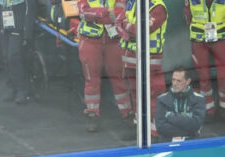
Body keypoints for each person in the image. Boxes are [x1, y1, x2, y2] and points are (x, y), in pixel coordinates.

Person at [77, 0, 133, 132]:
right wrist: (106, 13)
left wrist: (97, 16)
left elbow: (121, 13)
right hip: (90, 40)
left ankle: (127, 113)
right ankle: (92, 114)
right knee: (91, 79)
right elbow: (83, 13)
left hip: (114, 41)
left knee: (119, 78)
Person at [117, 0, 168, 135]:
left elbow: (140, 30)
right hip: (131, 58)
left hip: (150, 59)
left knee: (153, 95)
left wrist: (126, 24)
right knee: (136, 95)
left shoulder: (158, 7)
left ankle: (155, 132)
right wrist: (128, 26)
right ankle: (139, 129)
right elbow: (118, 22)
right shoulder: (132, 2)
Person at [185, 0, 225, 120]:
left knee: (224, 75)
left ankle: (223, 108)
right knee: (203, 76)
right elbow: (187, 15)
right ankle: (208, 109)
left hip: (221, 38)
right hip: (199, 39)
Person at [0, 0, 37, 105]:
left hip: (18, 22)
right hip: (3, 20)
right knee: (5, 57)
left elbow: (30, 7)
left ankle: (23, 90)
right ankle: (13, 87)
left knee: (13, 56)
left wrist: (27, 33)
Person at [155, 67, 206, 141]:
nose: (175, 84)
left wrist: (171, 116)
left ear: (188, 81)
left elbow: (196, 125)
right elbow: (160, 128)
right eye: (173, 80)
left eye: (179, 81)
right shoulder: (162, 100)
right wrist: (188, 129)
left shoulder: (198, 99)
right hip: (167, 143)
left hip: (190, 143)